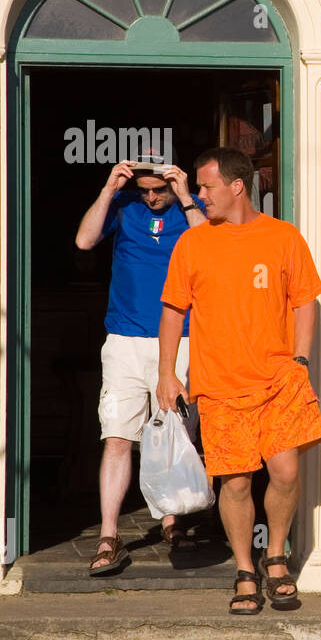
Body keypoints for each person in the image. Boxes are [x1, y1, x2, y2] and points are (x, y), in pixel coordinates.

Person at [156, 147, 321, 615]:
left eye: (206, 187)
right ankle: (246, 570)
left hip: (279, 379)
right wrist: (166, 372)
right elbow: (172, 309)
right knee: (234, 484)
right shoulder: (193, 243)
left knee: (286, 472)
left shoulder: (283, 237)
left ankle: (276, 557)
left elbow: (304, 299)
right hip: (220, 384)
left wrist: (301, 360)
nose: (198, 195)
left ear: (237, 187)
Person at [75, 160, 207, 575]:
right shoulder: (124, 205)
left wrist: (184, 196)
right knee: (116, 437)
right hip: (125, 339)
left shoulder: (190, 210)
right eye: (145, 190)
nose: (152, 197)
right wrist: (109, 189)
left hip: (181, 338)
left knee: (174, 434)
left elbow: (211, 246)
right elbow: (84, 241)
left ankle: (171, 521)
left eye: (159, 190)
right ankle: (109, 535)